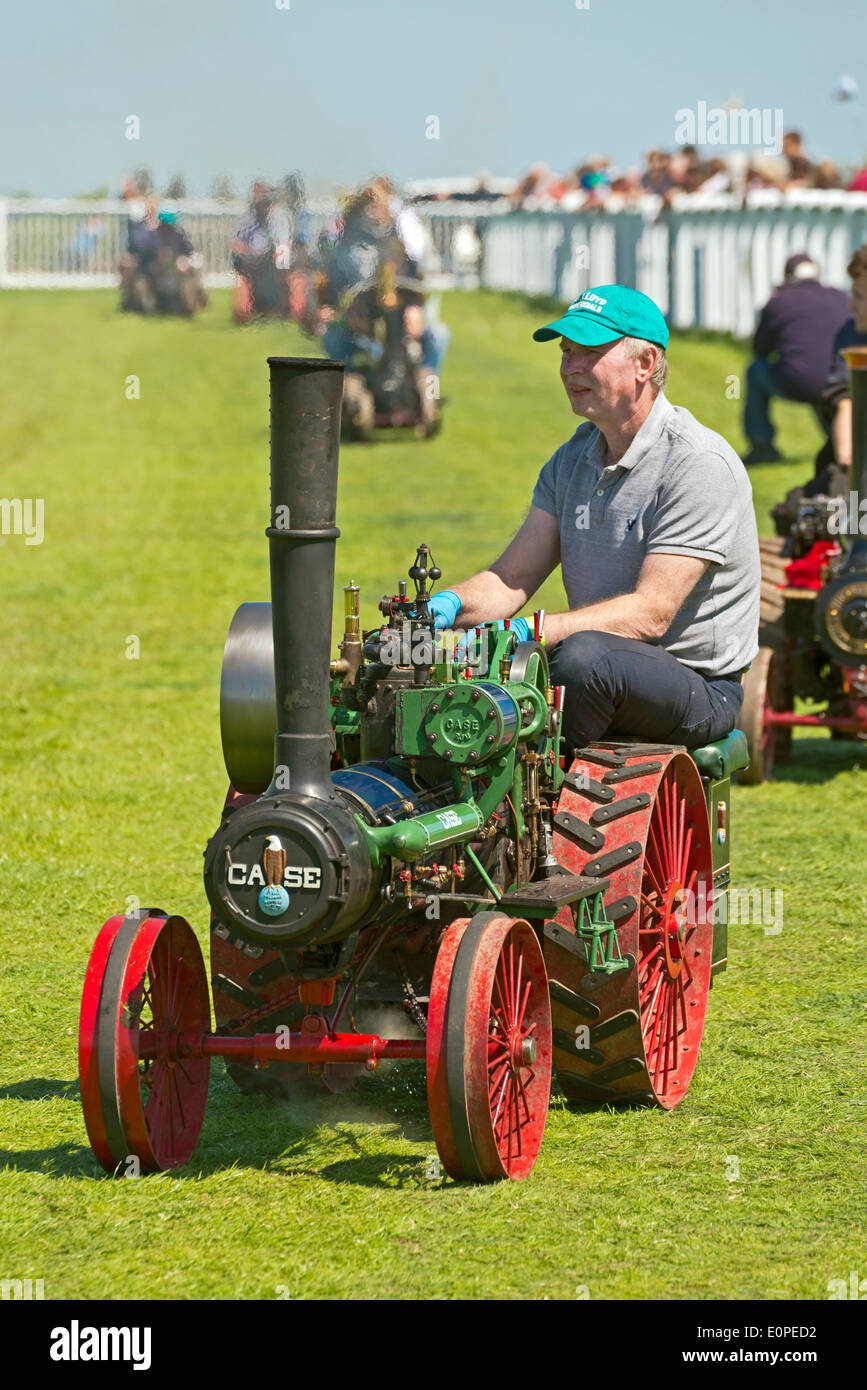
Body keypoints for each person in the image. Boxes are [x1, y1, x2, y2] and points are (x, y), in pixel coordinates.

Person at [427, 285, 760, 753]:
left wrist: (534, 631)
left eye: (590, 352)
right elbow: (509, 579)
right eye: (566, 352)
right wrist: (442, 609)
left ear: (645, 364)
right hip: (597, 662)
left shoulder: (698, 463)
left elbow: (651, 614)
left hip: (697, 685)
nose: (570, 368)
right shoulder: (572, 459)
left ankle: (524, 794)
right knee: (434, 666)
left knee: (582, 660)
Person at [741, 254, 850, 464]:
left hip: (799, 380)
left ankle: (761, 444)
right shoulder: (841, 296)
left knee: (756, 371)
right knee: (823, 385)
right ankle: (840, 443)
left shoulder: (778, 302)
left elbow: (759, 349)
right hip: (841, 379)